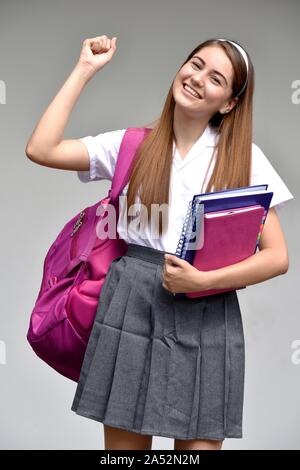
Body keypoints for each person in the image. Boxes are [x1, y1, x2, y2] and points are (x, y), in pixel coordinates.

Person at [25, 35, 294, 451]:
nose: (198, 78)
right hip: (130, 303)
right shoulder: (132, 145)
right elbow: (41, 148)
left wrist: (204, 282)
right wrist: (84, 69)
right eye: (196, 64)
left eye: (216, 77)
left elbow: (277, 257)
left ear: (229, 103)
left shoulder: (244, 159)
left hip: (207, 311)